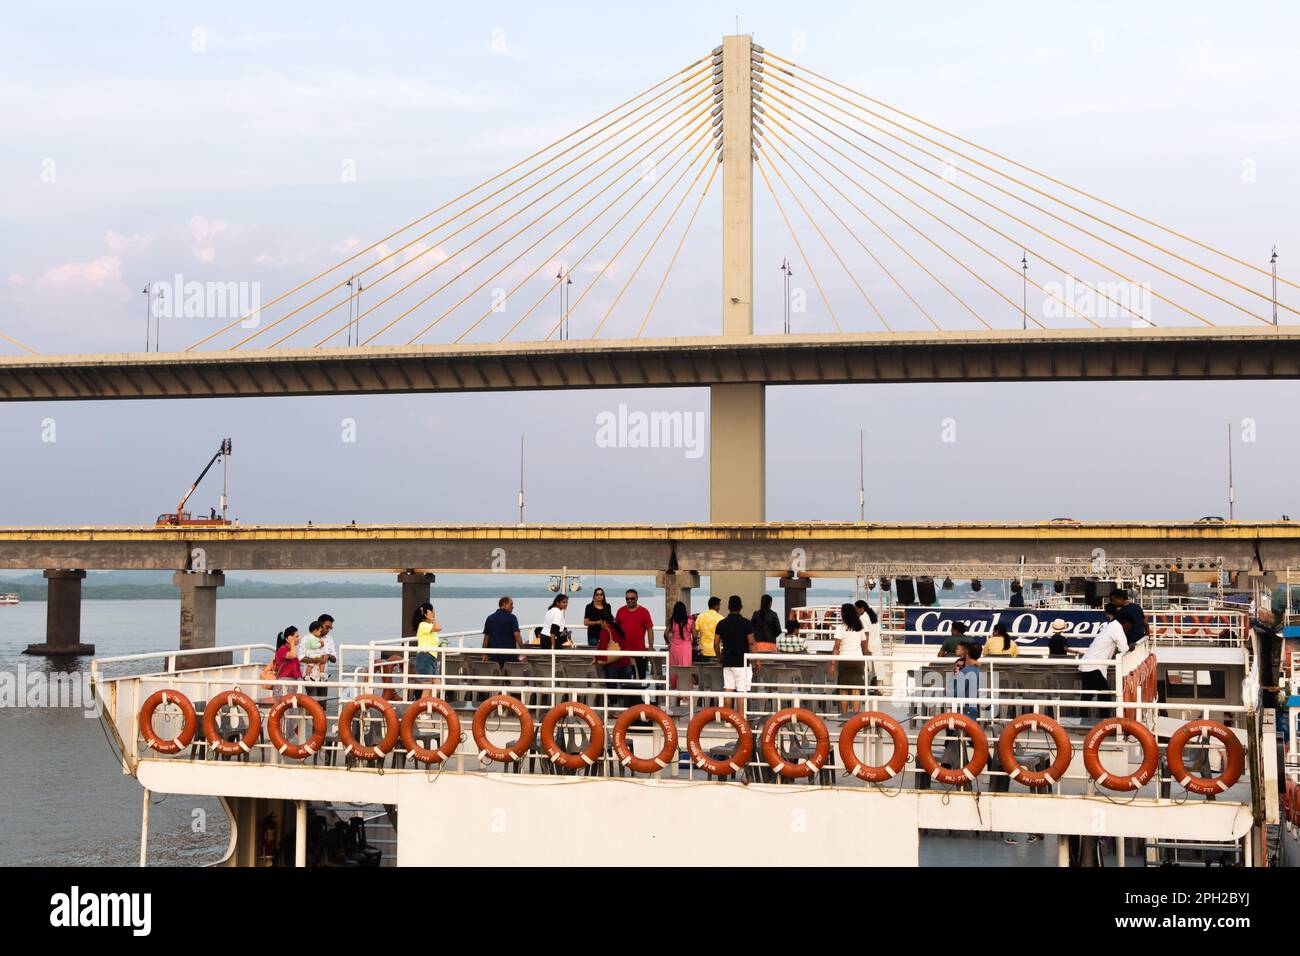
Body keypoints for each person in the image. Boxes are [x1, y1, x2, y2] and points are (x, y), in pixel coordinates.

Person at [1072, 603, 1128, 703]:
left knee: (1087, 696)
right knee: (1105, 696)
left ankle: (1083, 717)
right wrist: (1130, 646)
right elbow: (1124, 648)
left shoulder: (1109, 626)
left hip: (1087, 664)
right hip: (1094, 667)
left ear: (1107, 614)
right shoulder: (1116, 626)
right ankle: (1104, 717)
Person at [716, 595, 757, 717]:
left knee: (728, 689)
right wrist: (757, 660)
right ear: (741, 607)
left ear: (728, 607)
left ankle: (728, 719)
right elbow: (751, 642)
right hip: (742, 662)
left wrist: (719, 657)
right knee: (741, 692)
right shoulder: (746, 623)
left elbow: (715, 643)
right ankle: (740, 719)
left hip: (727, 661)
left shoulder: (722, 623)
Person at [830, 603, 868, 717]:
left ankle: (844, 718)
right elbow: (864, 645)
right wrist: (865, 658)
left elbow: (836, 647)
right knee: (856, 691)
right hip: (857, 660)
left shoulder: (840, 628)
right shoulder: (859, 628)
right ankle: (855, 720)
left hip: (844, 661)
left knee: (844, 691)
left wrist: (832, 663)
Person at [615, 589, 655, 681]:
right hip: (624, 651)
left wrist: (651, 646)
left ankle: (638, 694)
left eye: (632, 598)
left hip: (640, 650)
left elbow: (650, 629)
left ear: (637, 598)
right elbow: (615, 629)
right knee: (624, 677)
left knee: (641, 677)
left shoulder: (644, 612)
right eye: (627, 599)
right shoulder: (620, 611)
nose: (629, 600)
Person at [411, 602, 443, 691]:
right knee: (427, 688)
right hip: (424, 657)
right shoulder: (423, 625)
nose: (434, 613)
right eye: (432, 612)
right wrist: (433, 619)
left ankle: (430, 704)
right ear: (426, 614)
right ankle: (420, 704)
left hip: (432, 658)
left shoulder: (428, 626)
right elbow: (439, 628)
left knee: (437, 686)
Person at [482, 596, 523, 661]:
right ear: (504, 604)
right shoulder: (512, 618)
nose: (513, 606)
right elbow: (517, 635)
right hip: (509, 656)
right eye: (511, 604)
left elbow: (486, 638)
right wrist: (523, 649)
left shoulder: (490, 618)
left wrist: (484, 654)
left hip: (493, 656)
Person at [665, 601, 693, 689]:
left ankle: (674, 690)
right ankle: (685, 694)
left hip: (674, 647)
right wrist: (692, 641)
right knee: (685, 668)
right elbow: (695, 635)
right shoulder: (690, 621)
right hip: (686, 647)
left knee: (674, 669)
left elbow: (665, 634)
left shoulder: (672, 621)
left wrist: (668, 643)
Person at [693, 596, 723, 663]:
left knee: (705, 672)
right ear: (716, 606)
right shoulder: (721, 618)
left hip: (703, 651)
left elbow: (695, 633)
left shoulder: (700, 617)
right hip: (716, 651)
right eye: (719, 605)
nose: (719, 607)